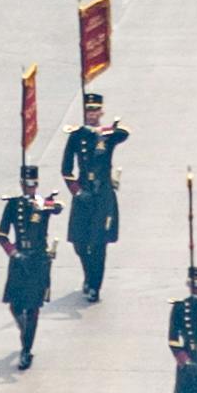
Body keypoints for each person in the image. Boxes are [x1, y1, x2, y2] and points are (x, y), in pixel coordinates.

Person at [61, 96, 122, 303]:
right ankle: (88, 274)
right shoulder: (77, 136)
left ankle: (95, 285)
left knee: (98, 243)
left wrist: (105, 132)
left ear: (101, 113)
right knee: (79, 243)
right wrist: (77, 191)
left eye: (96, 111)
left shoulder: (107, 136)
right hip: (84, 193)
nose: (92, 114)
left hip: (103, 195)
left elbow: (125, 133)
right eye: (89, 110)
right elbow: (66, 169)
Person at [0, 169, 55, 370]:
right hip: (20, 259)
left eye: (34, 185)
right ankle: (25, 331)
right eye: (28, 185)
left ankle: (26, 349)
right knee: (15, 306)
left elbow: (57, 207)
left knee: (33, 308)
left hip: (38, 260)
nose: (31, 189)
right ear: (22, 185)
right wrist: (13, 253)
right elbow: (1, 235)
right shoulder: (13, 205)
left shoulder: (43, 205)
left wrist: (43, 204)